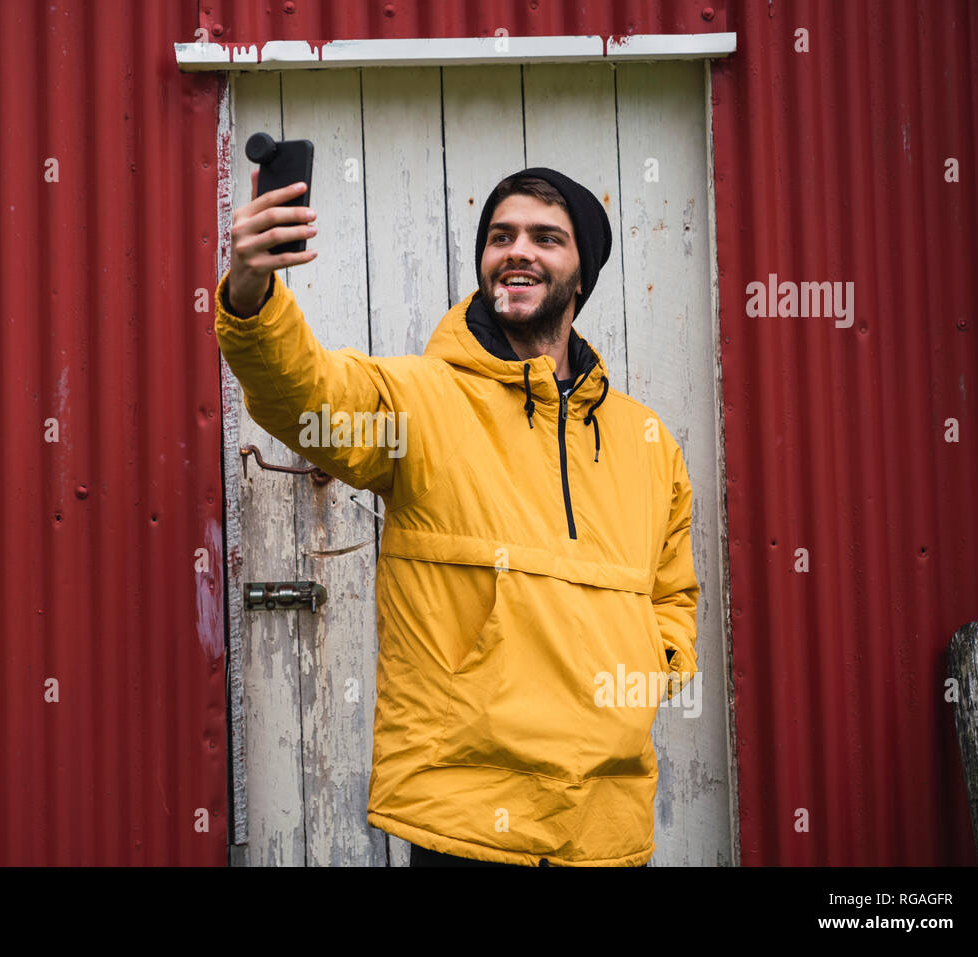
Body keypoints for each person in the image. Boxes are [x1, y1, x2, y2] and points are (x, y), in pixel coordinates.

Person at [215, 165, 698, 867]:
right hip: (466, 821)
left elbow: (672, 595)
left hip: (606, 823)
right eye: (501, 236)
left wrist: (641, 671)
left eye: (546, 238)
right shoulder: (420, 401)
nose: (517, 250)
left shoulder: (646, 441)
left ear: (582, 274)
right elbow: (307, 398)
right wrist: (253, 291)